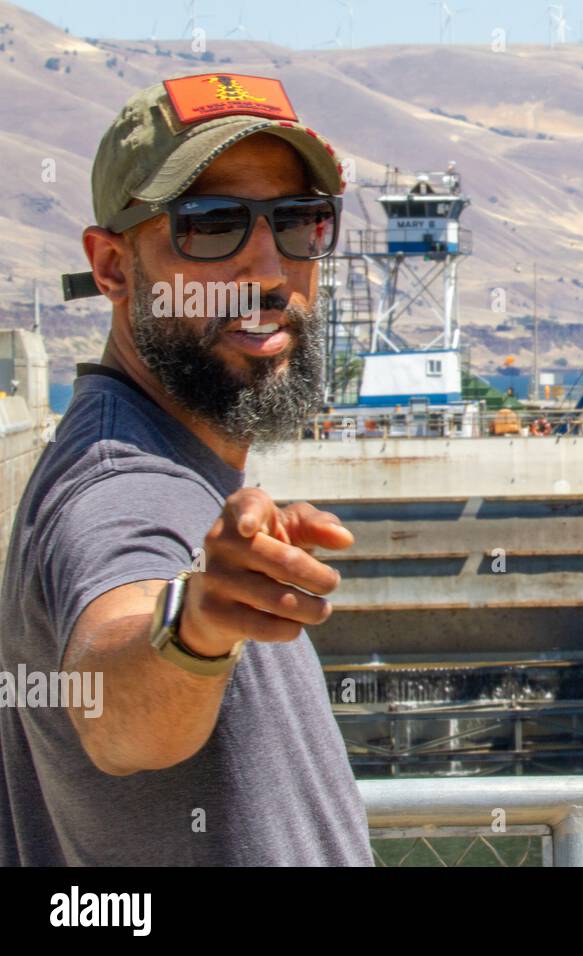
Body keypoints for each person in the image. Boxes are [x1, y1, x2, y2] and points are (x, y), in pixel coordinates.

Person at [0, 74, 373, 866]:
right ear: (110, 268)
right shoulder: (123, 483)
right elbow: (113, 708)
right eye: (212, 227)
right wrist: (193, 627)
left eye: (301, 222)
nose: (270, 272)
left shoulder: (179, 460)